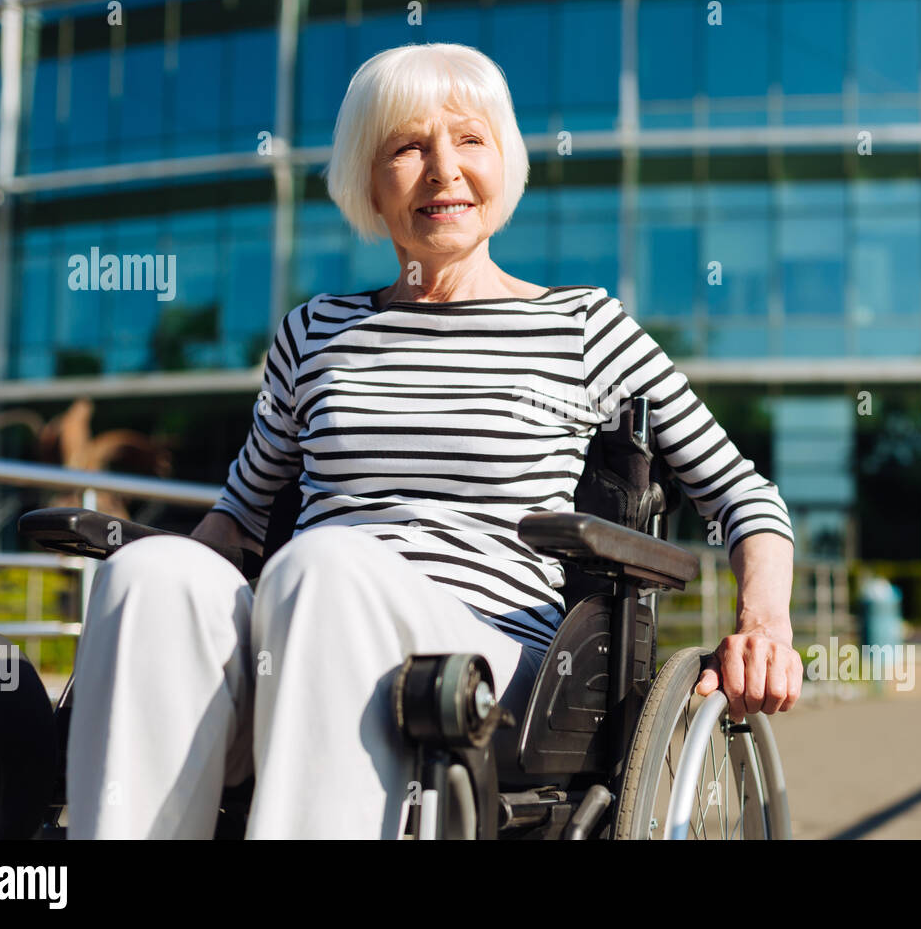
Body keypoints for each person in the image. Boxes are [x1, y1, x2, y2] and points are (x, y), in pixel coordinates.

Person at [66, 42, 801, 839]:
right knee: (154, 572)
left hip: (490, 669)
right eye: (408, 147)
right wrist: (153, 591)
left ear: (504, 163)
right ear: (369, 184)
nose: (443, 170)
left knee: (324, 564)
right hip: (298, 636)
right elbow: (234, 522)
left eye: (469, 140)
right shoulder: (315, 332)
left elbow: (743, 495)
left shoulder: (583, 327)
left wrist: (765, 624)